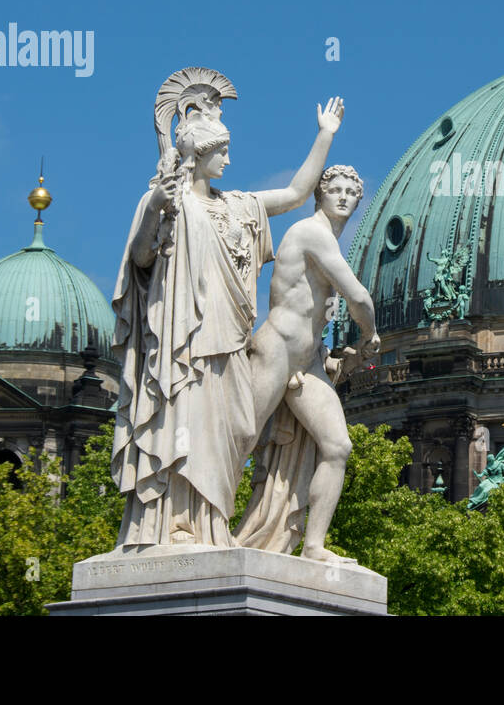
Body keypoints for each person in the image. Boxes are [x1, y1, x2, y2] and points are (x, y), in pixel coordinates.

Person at [111, 66, 344, 549]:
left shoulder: (239, 205)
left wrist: (324, 136)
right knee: (182, 426)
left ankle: (211, 526)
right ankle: (172, 524)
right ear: (197, 154)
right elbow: (139, 257)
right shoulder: (165, 201)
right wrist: (157, 205)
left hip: (232, 339)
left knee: (230, 435)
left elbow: (298, 193)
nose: (229, 161)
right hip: (183, 341)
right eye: (221, 153)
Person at [235, 164, 379, 562]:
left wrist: (337, 361)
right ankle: (210, 525)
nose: (345, 196)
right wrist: (371, 335)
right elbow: (359, 298)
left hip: (309, 359)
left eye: (352, 191)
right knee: (242, 437)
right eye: (336, 189)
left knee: (338, 447)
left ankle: (313, 545)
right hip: (277, 350)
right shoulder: (310, 232)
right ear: (320, 193)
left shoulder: (327, 239)